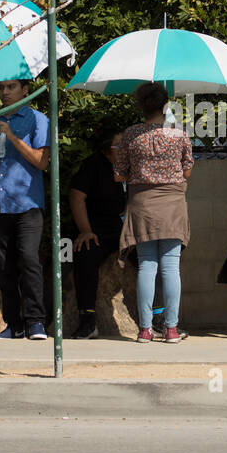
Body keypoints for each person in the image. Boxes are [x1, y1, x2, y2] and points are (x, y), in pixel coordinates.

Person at [0, 79, 50, 340]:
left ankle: (36, 321)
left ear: (25, 90)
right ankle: (13, 324)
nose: (5, 92)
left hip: (27, 204)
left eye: (11, 87)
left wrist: (11, 136)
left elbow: (41, 161)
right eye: (1, 87)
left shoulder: (38, 120)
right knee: (3, 266)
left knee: (29, 259)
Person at [116, 82, 192, 343]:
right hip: (172, 204)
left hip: (142, 204)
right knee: (171, 267)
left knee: (147, 265)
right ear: (165, 106)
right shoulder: (179, 135)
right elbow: (188, 169)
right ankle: (171, 329)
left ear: (141, 106)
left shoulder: (130, 135)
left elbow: (120, 173)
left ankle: (145, 330)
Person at [67, 125, 126, 339]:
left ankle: (157, 319)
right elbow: (76, 196)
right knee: (86, 253)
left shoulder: (130, 166)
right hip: (97, 229)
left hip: (124, 229)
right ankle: (88, 320)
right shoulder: (93, 166)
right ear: (106, 149)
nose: (125, 148)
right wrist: (85, 230)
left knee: (150, 256)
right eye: (120, 145)